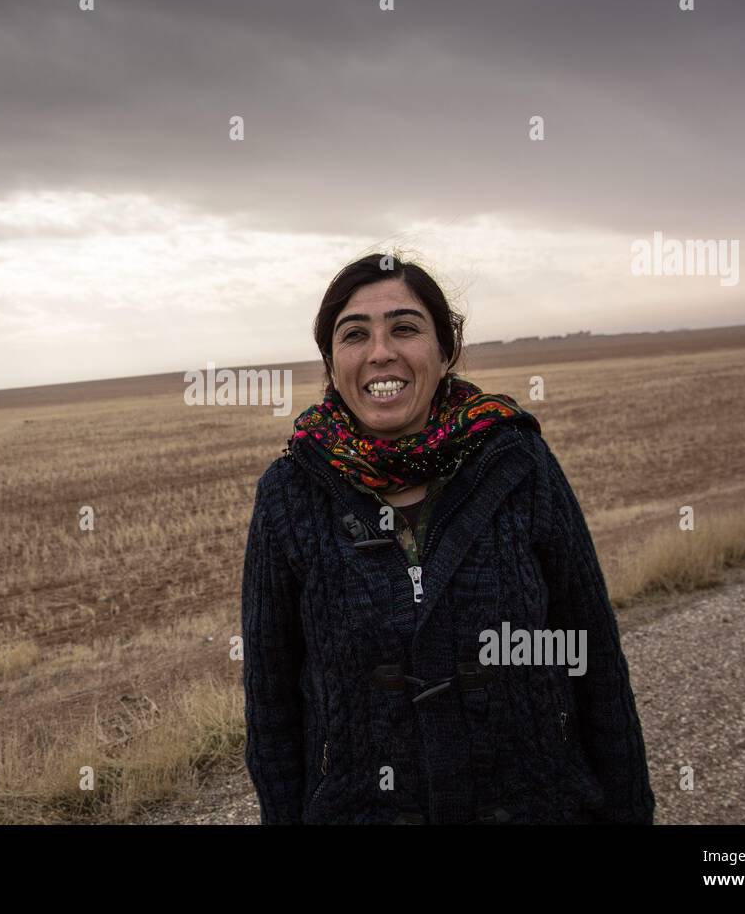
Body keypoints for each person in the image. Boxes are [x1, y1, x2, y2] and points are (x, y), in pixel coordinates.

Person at [240, 252, 656, 824]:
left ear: (446, 348)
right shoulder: (291, 492)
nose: (380, 351)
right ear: (332, 363)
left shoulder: (516, 463)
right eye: (354, 334)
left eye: (405, 328)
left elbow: (595, 658)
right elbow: (271, 703)